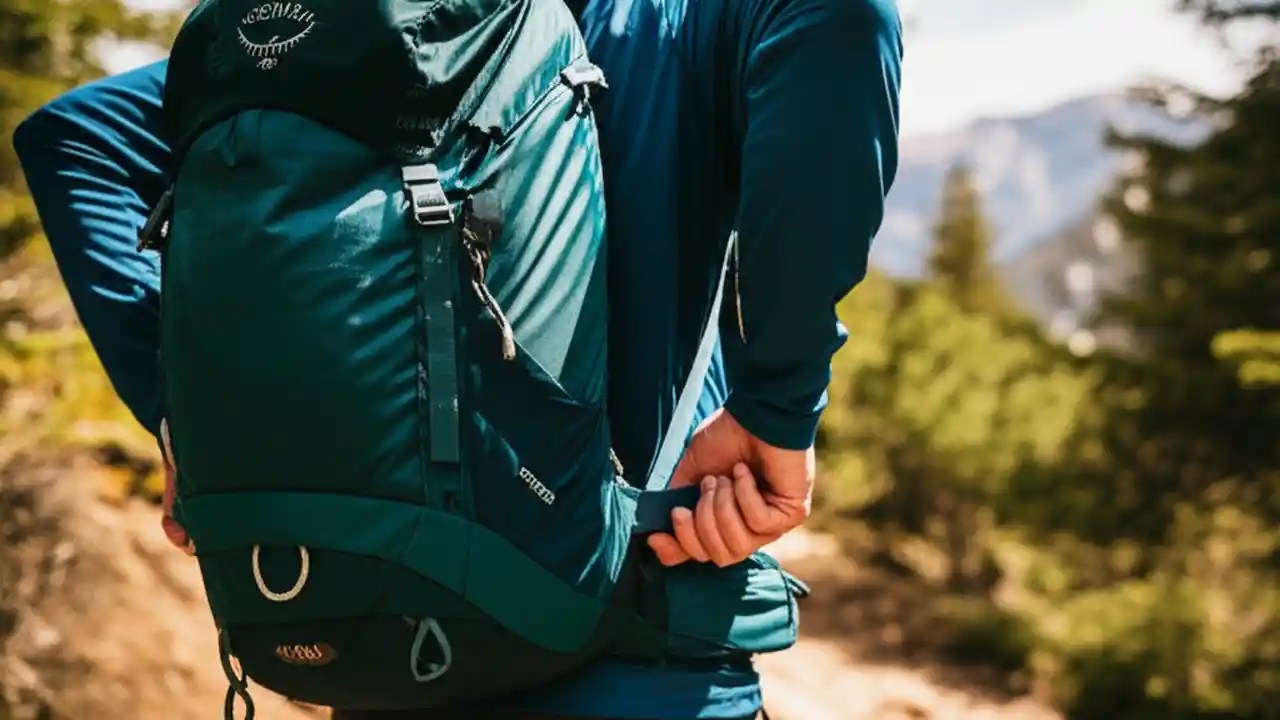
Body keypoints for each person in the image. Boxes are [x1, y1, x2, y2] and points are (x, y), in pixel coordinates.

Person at [13, 0, 902, 716]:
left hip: (386, 655)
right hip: (637, 657)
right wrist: (775, 406)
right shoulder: (671, 21)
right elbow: (843, 16)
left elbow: (77, 139)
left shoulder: (358, 34)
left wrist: (189, 419)